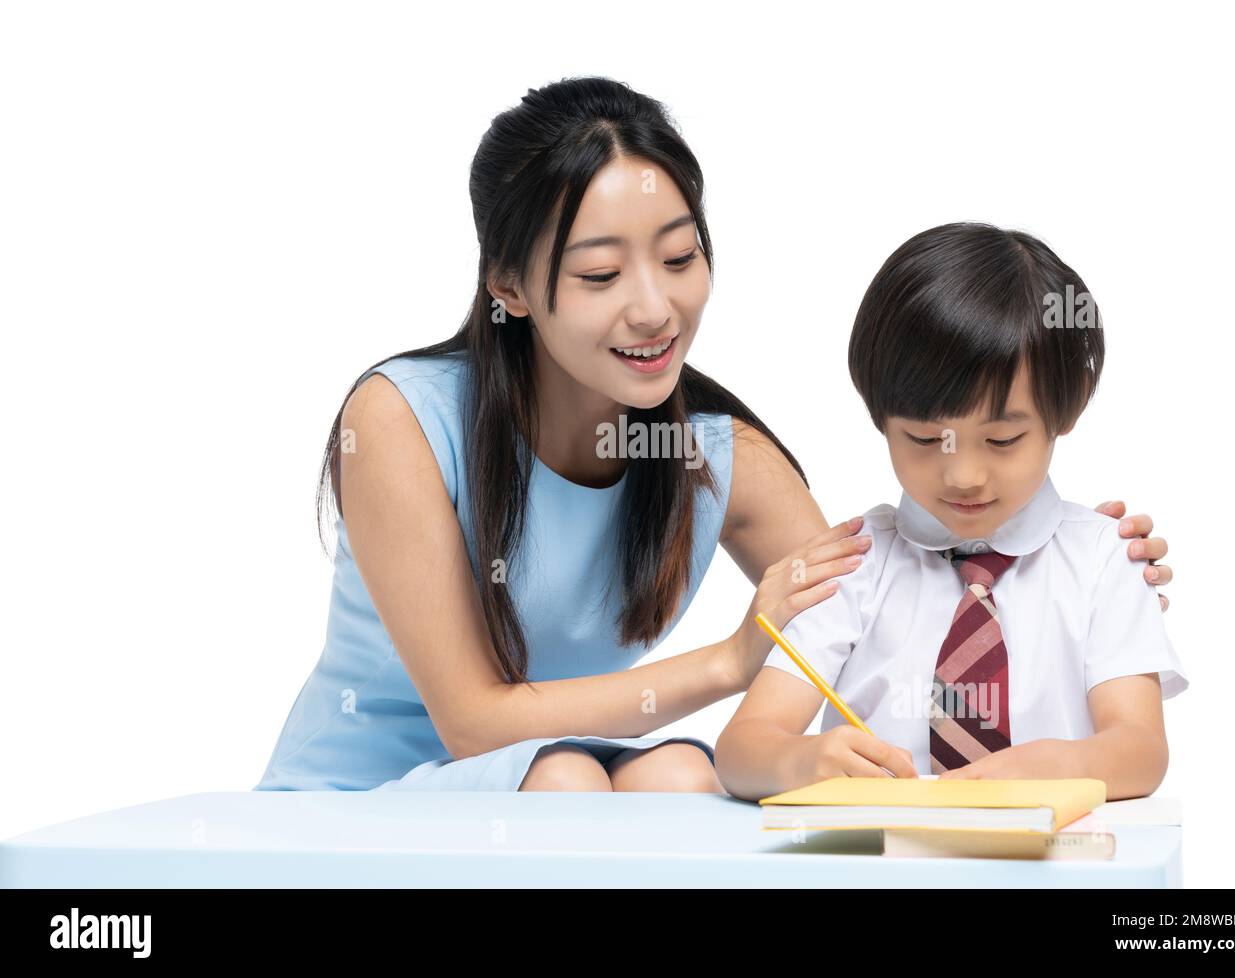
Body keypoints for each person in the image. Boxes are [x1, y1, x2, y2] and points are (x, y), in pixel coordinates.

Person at [254, 80, 1173, 793]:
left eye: (680, 257)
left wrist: (1054, 554)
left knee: (684, 775)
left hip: (546, 791)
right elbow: (471, 724)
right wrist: (733, 663)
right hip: (360, 797)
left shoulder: (713, 453)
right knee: (577, 776)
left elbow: (897, 587)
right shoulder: (400, 418)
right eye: (602, 272)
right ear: (510, 285)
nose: (655, 308)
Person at [715, 222, 1187, 802]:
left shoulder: (1103, 560)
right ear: (878, 414)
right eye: (922, 439)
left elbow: (1141, 751)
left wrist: (1056, 766)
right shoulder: (855, 565)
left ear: (1070, 406)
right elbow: (741, 751)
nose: (964, 475)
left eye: (1003, 441)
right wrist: (799, 758)